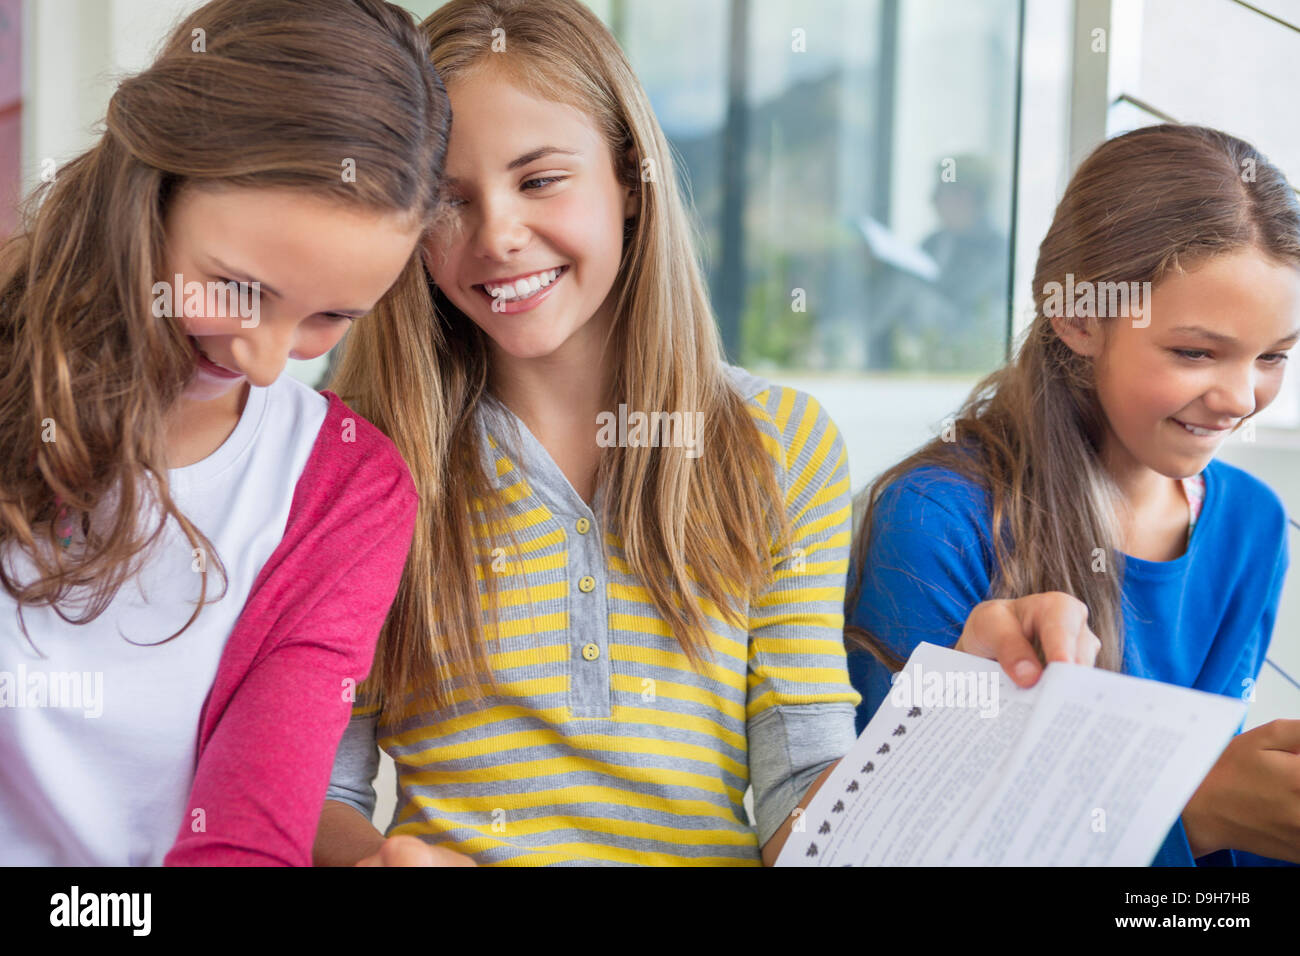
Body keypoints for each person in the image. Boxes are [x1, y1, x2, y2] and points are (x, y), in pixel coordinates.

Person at [316, 0, 1097, 868]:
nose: (497, 235)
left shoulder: (779, 443)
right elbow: (320, 792)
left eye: (539, 181)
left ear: (630, 179)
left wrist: (962, 715)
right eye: (447, 200)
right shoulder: (362, 461)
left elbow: (801, 791)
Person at [0, 0, 450, 866]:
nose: (267, 360)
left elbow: (249, 832)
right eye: (239, 288)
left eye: (330, 317)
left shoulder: (349, 492)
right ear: (153, 191)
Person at [846, 124, 1300, 866]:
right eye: (1194, 352)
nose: (1241, 398)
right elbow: (889, 844)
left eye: (1274, 357)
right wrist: (1192, 816)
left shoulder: (1251, 525)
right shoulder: (936, 520)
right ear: (1079, 317)